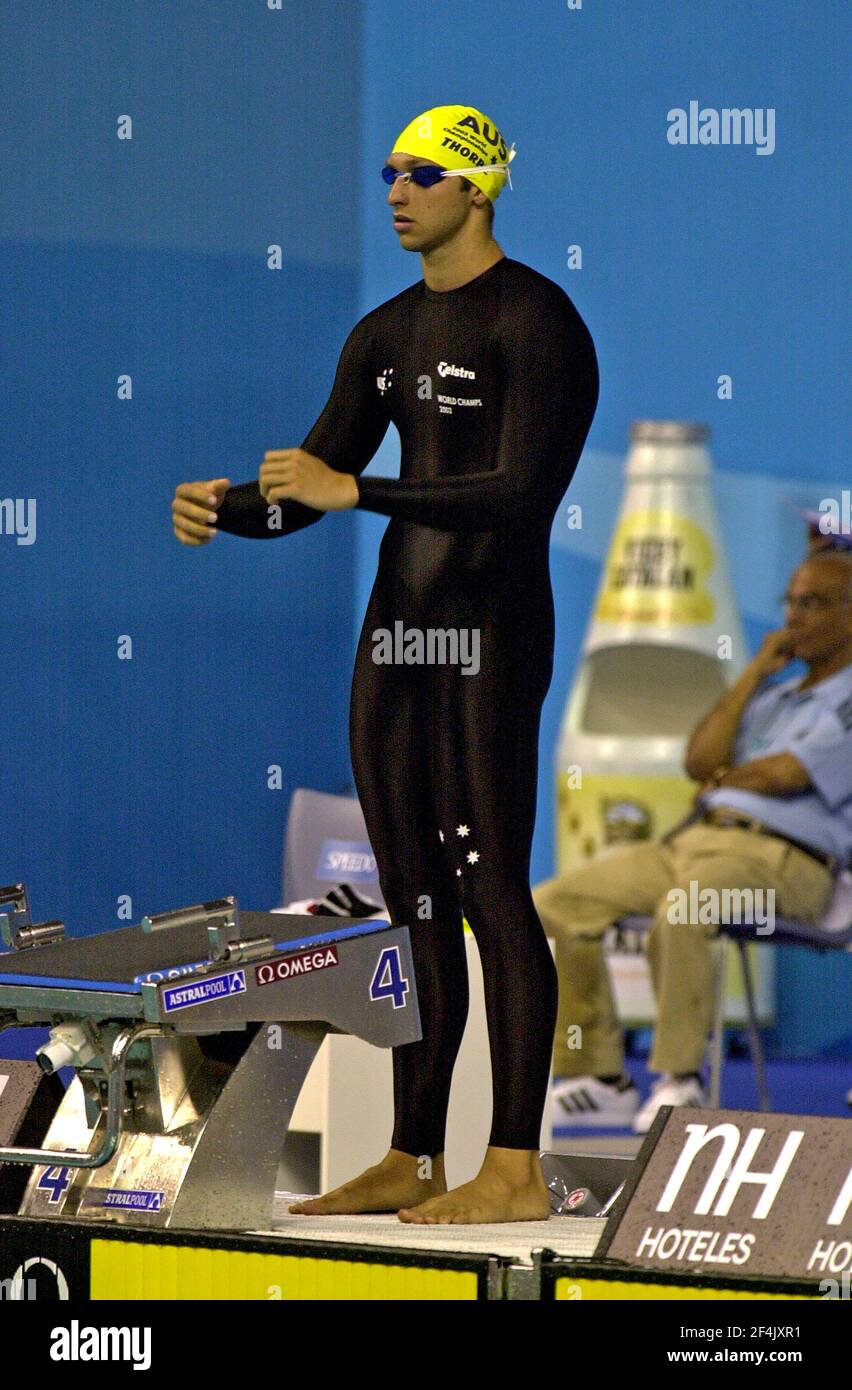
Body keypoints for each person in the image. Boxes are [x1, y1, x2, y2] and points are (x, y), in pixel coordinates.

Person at [172, 104, 599, 1223]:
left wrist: (352, 490)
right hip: (396, 640)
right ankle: (414, 1152)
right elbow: (311, 487)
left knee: (490, 890)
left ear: (477, 188)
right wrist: (229, 508)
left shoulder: (539, 322)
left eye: (420, 173)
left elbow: (518, 492)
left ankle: (514, 1165)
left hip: (490, 635)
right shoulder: (384, 334)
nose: (397, 190)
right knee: (412, 894)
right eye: (389, 173)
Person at [533, 548, 852, 1132]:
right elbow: (698, 761)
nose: (793, 617)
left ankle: (681, 1079)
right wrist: (753, 675)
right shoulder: (774, 696)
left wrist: (724, 780)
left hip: (786, 859)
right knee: (555, 904)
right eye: (790, 602)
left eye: (811, 603)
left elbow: (787, 774)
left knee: (685, 908)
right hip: (696, 842)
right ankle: (599, 1077)